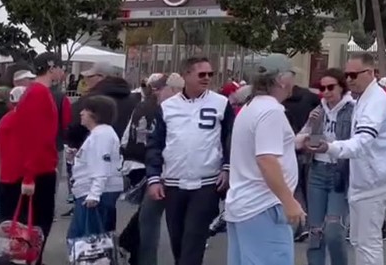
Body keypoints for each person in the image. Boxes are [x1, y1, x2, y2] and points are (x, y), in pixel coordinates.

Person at [310, 52, 386, 265]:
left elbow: (362, 142)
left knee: (367, 244)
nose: (348, 79)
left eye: (353, 75)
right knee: (361, 242)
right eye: (346, 75)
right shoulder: (364, 99)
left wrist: (330, 147)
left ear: (369, 73)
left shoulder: (375, 102)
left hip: (373, 183)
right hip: (365, 181)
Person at [146, 57, 235, 265]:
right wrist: (153, 177)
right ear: (186, 75)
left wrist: (227, 167)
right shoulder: (168, 107)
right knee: (178, 241)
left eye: (210, 74)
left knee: (194, 240)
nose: (207, 78)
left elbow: (231, 139)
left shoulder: (221, 103)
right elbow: (155, 144)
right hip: (174, 183)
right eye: (201, 74)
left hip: (206, 183)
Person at [225, 55, 305, 265]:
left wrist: (294, 142)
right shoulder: (271, 111)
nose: (294, 83)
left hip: (244, 205)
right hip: (264, 206)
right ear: (281, 80)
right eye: (292, 76)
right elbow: (266, 159)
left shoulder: (251, 108)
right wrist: (289, 201)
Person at [0, 52, 64, 264]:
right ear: (52, 67)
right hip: (36, 172)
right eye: (61, 67)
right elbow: (34, 137)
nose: (63, 72)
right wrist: (29, 176)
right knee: (33, 231)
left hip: (38, 170)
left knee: (34, 230)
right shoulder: (38, 93)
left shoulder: (38, 93)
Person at [117, 72, 183, 265]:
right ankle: (135, 251)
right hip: (153, 166)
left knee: (148, 215)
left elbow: (129, 133)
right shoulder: (162, 109)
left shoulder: (145, 105)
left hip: (142, 164)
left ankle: (131, 248)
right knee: (150, 217)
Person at [299, 68, 354, 265]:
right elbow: (307, 140)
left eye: (331, 87)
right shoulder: (319, 110)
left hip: (339, 173)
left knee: (334, 231)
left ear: (342, 87)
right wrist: (311, 129)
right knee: (315, 231)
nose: (326, 92)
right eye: (322, 88)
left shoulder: (353, 109)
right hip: (317, 171)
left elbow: (357, 142)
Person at [68, 95, 124, 241]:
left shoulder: (101, 135)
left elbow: (101, 165)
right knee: (92, 237)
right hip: (94, 191)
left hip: (94, 194)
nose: (81, 113)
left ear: (96, 114)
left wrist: (94, 194)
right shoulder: (100, 134)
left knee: (87, 239)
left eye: (86, 110)